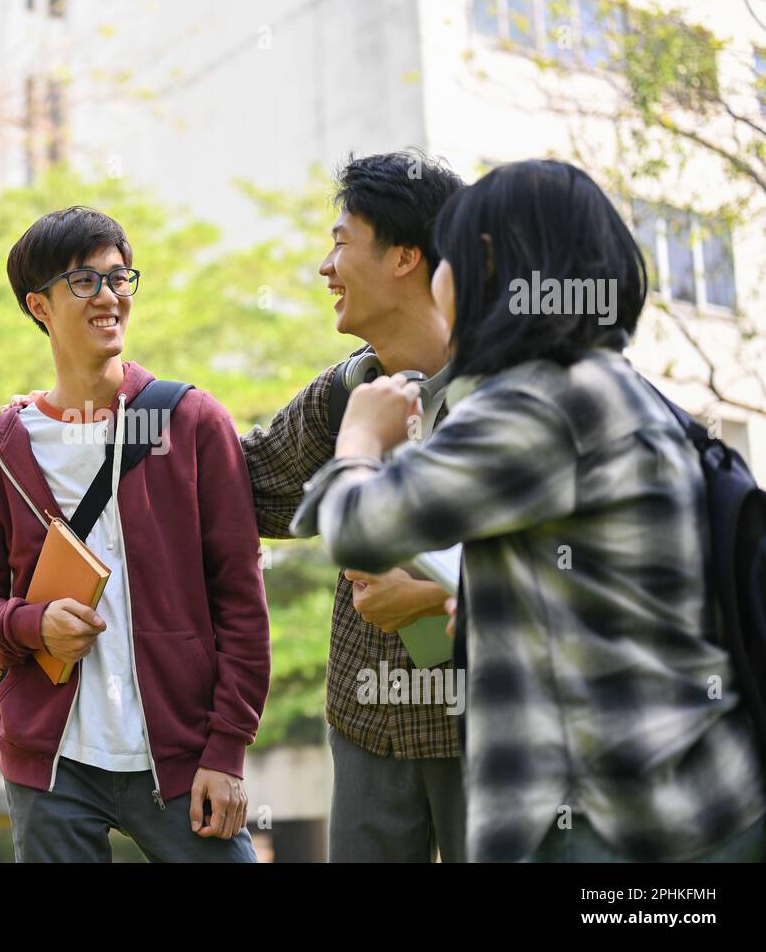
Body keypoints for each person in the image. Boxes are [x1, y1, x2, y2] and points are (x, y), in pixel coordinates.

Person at [318, 159, 765, 862]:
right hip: (702, 804)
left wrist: (359, 435)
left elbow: (356, 525)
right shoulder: (622, 389)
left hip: (615, 823)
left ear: (488, 265)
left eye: (451, 258)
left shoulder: (536, 399)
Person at [0, 207, 271, 862]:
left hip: (180, 758)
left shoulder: (190, 422)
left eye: (121, 278)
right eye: (85, 281)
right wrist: (33, 625)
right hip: (51, 762)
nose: (111, 296)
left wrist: (228, 749)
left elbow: (239, 596)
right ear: (39, 306)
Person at [241, 152, 468, 862]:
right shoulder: (345, 392)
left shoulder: (515, 397)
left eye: (341, 241)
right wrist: (112, 395)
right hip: (371, 726)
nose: (324, 266)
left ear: (405, 256)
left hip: (493, 727)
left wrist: (433, 596)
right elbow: (247, 488)